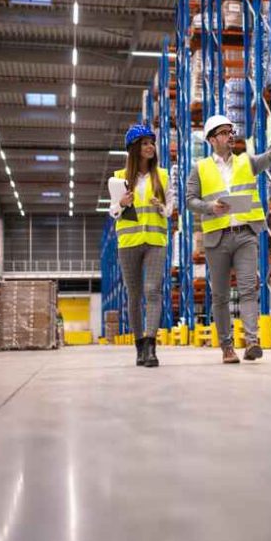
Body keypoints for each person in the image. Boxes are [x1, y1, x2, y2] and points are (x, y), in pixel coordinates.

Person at [186, 111, 271, 364]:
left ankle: (252, 342)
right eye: (224, 133)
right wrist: (210, 207)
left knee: (249, 289)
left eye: (231, 132)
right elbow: (190, 200)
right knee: (220, 296)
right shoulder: (200, 169)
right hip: (216, 239)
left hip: (245, 235)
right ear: (212, 139)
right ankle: (227, 347)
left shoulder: (245, 162)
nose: (230, 136)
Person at [108, 123, 174, 367]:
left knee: (153, 290)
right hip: (129, 242)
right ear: (134, 148)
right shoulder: (119, 178)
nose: (150, 147)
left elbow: (170, 210)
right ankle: (139, 347)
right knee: (134, 295)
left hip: (156, 241)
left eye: (152, 143)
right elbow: (113, 212)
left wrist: (161, 207)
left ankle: (151, 347)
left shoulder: (163, 176)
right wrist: (122, 203)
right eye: (145, 143)